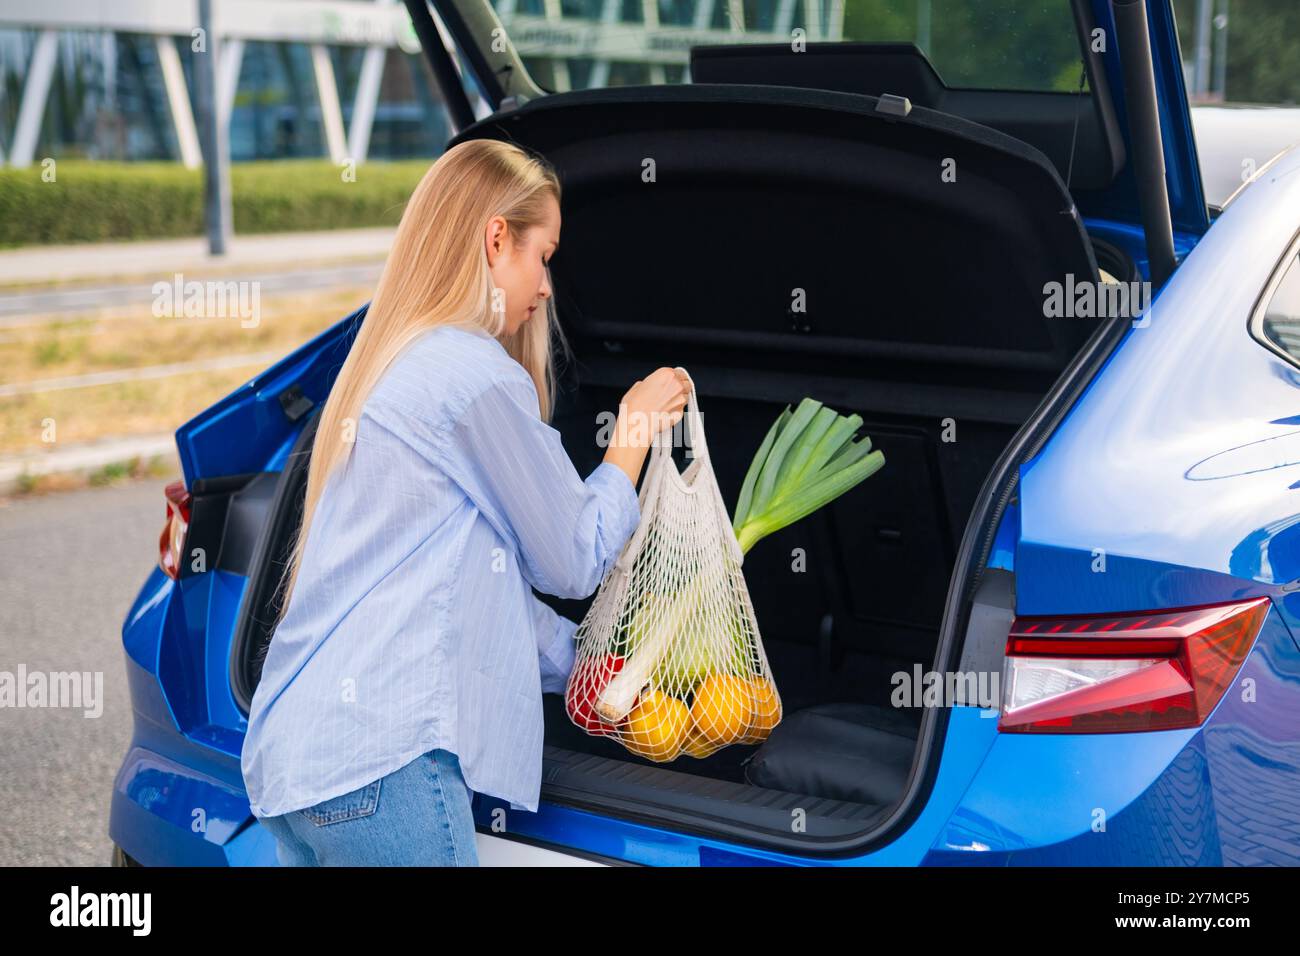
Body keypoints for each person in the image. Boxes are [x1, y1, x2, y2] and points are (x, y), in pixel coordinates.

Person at [239, 138, 690, 866]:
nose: (547, 288)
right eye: (543, 257)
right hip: (383, 770)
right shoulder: (473, 375)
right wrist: (632, 433)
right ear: (495, 237)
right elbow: (574, 558)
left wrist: (595, 666)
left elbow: (470, 592)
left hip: (299, 767)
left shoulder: (392, 364)